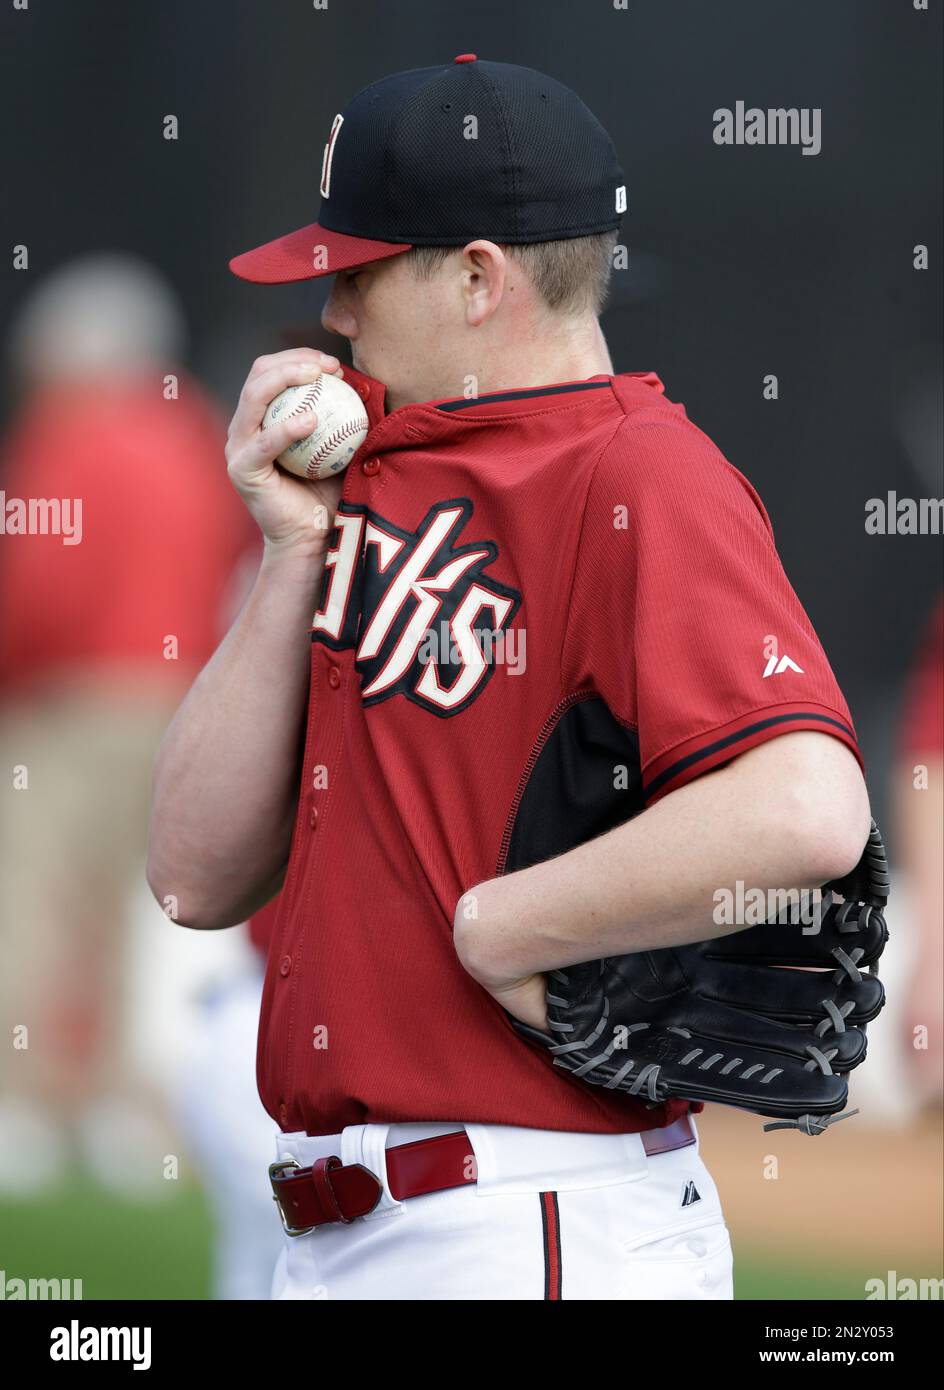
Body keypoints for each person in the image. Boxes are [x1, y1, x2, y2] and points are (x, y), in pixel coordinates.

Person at [148, 56, 872, 1299]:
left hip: (528, 1219)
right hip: (350, 1231)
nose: (333, 314)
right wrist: (292, 547)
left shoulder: (640, 475)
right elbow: (191, 875)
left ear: (477, 278)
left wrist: (504, 925)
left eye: (357, 272)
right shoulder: (365, 481)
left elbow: (805, 808)